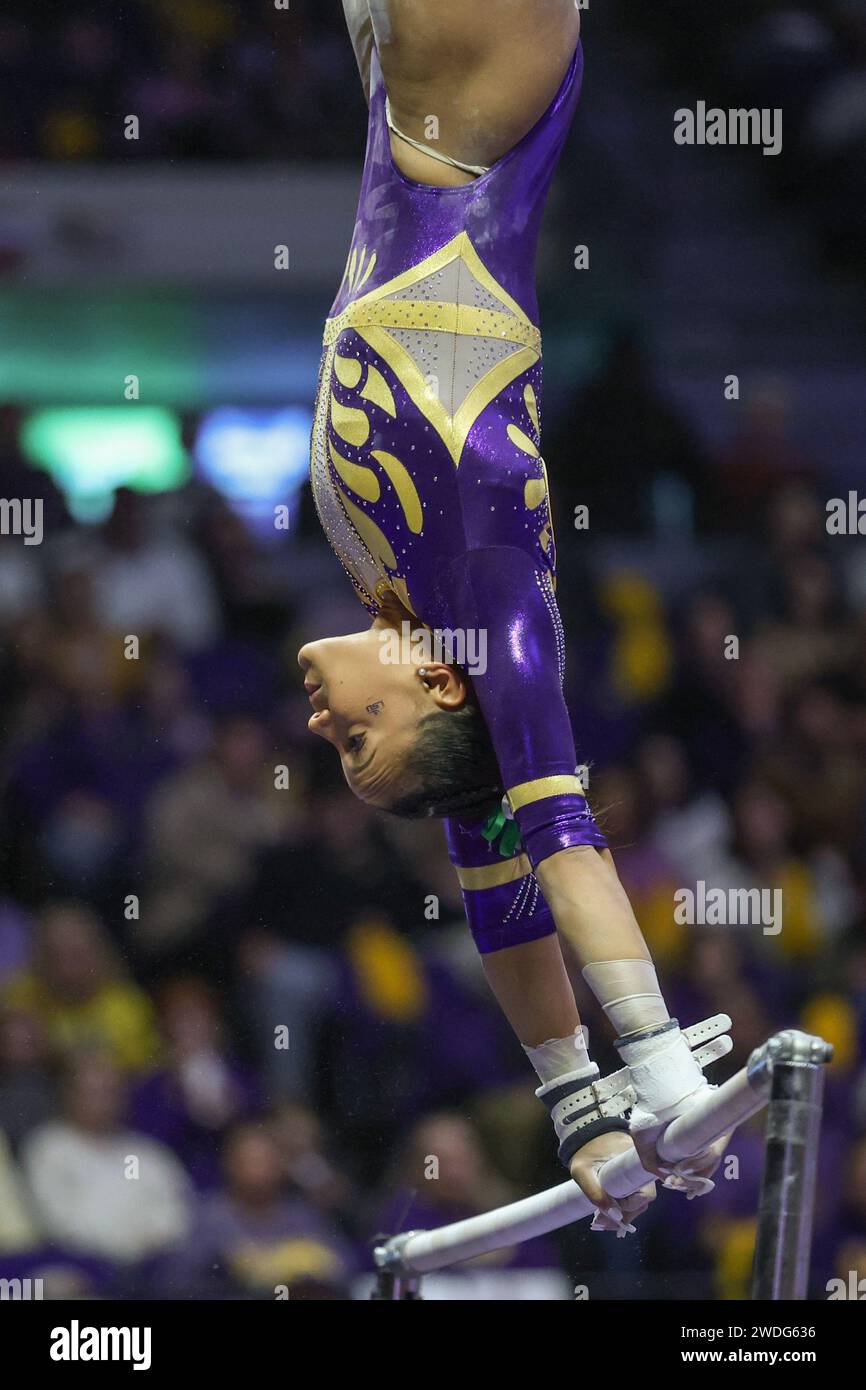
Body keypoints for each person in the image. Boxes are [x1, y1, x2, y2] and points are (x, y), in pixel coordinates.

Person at [299, 0, 725, 1234]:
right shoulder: (495, 614)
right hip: (466, 140)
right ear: (434, 686)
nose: (319, 719)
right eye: (351, 741)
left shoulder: (390, 590)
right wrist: (654, 1070)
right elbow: (561, 844)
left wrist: (573, 1107)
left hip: (406, 114)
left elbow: (496, 892)